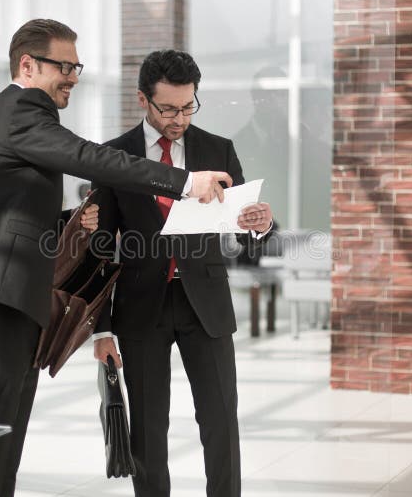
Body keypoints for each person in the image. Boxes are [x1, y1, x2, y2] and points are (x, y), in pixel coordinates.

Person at [0, 20, 233, 497]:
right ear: (27, 65)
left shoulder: (16, 117)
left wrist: (71, 220)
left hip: (7, 296)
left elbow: (10, 207)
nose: (73, 76)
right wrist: (186, 182)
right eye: (63, 66)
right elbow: (89, 158)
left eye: (76, 66)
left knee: (2, 439)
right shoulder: (22, 109)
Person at [91, 49, 274, 497]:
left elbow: (244, 231)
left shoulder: (218, 149)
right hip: (140, 308)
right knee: (149, 430)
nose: (179, 118)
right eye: (168, 108)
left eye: (188, 105)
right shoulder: (114, 157)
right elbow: (100, 249)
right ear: (143, 100)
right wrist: (101, 330)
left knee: (220, 421)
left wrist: (260, 226)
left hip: (205, 305)